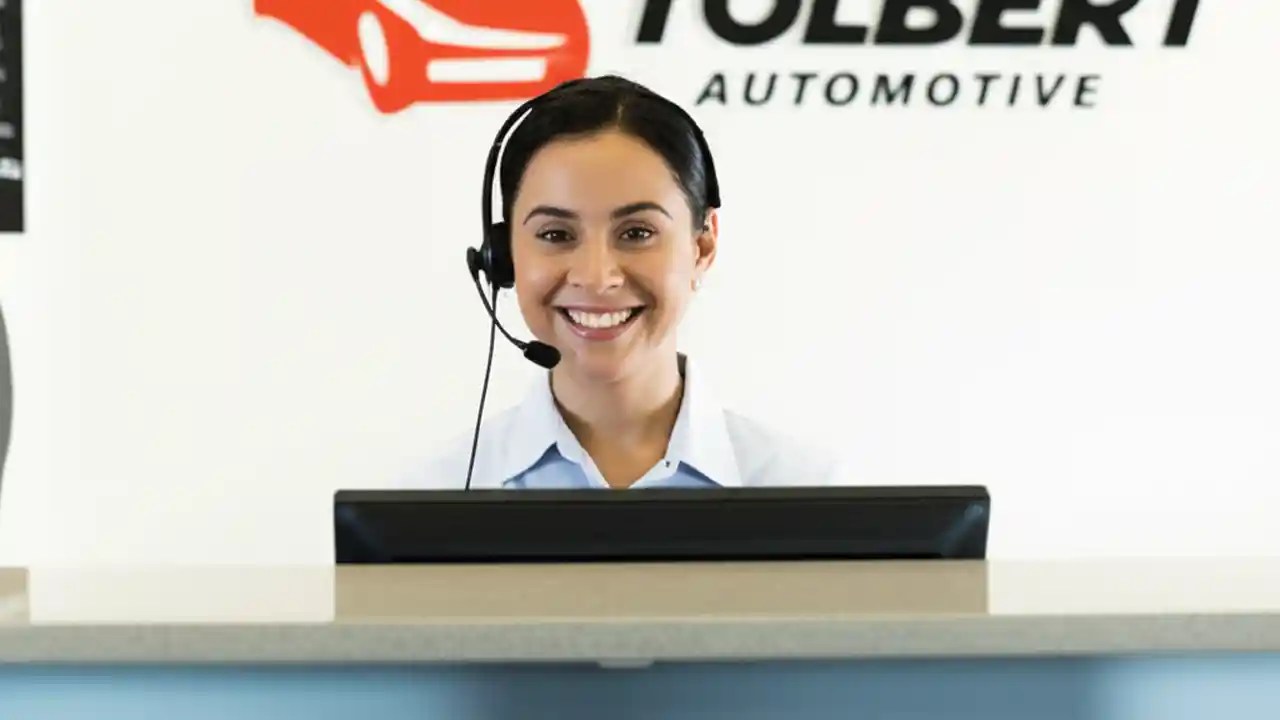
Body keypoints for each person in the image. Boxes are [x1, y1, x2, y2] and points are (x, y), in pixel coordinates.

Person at [401, 75, 839, 490]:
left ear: (702, 247)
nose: (597, 277)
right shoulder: (438, 493)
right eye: (556, 235)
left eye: (637, 233)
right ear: (504, 255)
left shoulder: (805, 488)